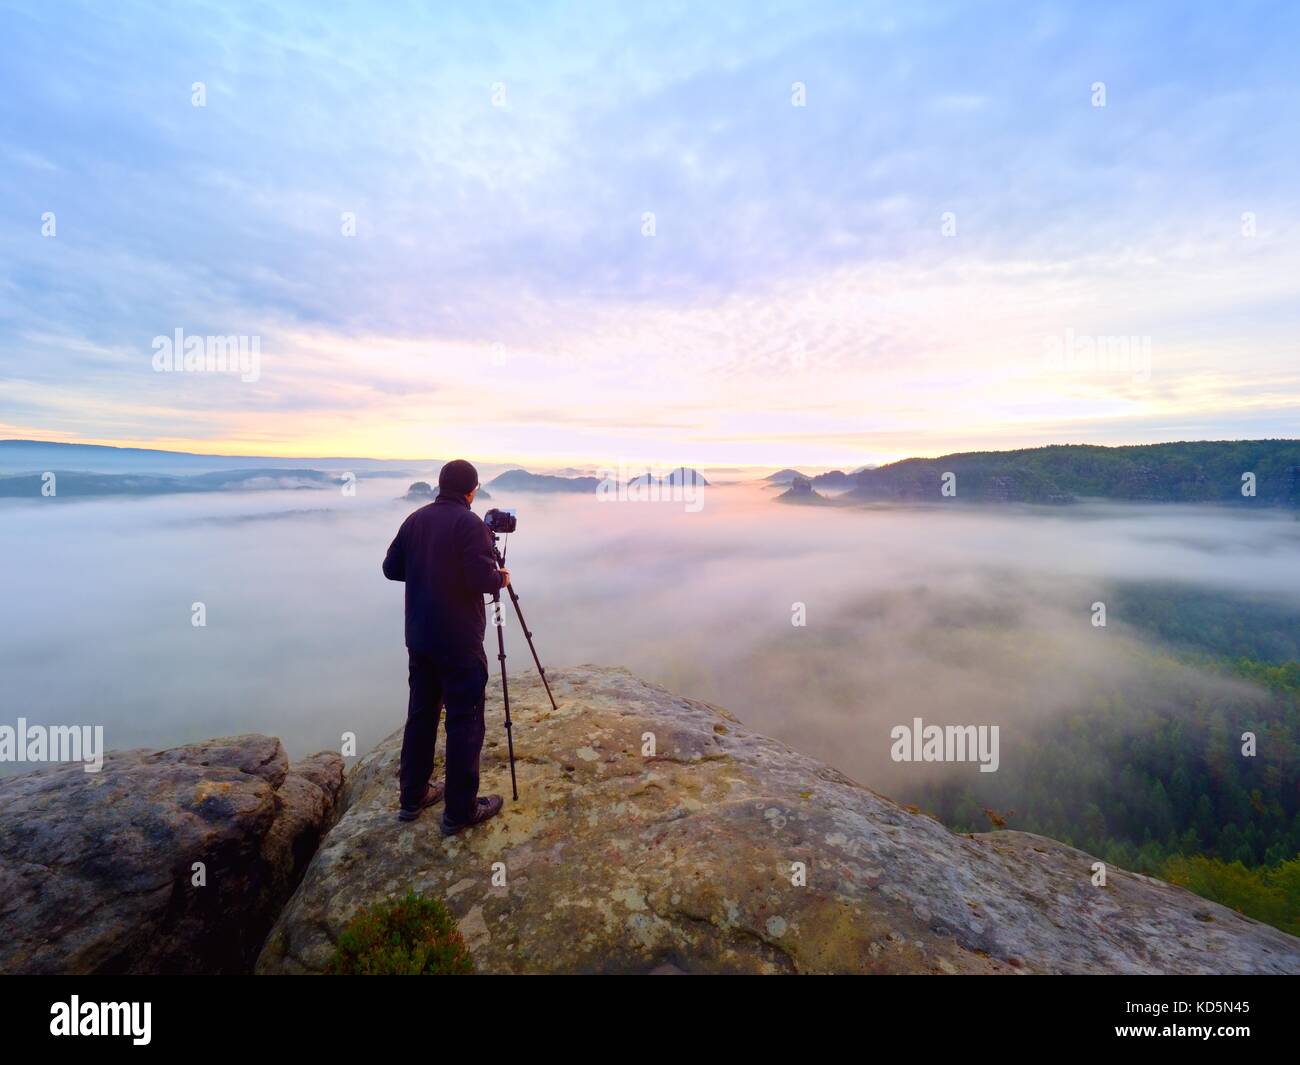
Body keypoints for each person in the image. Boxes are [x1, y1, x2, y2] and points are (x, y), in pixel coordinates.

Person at [382, 459, 509, 833]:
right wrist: (499, 578)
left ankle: (413, 795)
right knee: (464, 720)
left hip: (420, 638)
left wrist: (428, 570)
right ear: (471, 491)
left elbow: (391, 569)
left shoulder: (415, 519)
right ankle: (459, 811)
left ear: (440, 486)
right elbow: (480, 578)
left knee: (421, 715)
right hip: (460, 642)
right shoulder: (470, 524)